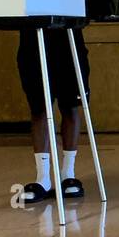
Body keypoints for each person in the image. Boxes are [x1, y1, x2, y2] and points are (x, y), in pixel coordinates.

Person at [16, 27, 89, 204]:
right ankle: (43, 177)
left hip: (67, 34)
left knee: (70, 105)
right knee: (39, 108)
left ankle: (68, 173)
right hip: (33, 36)